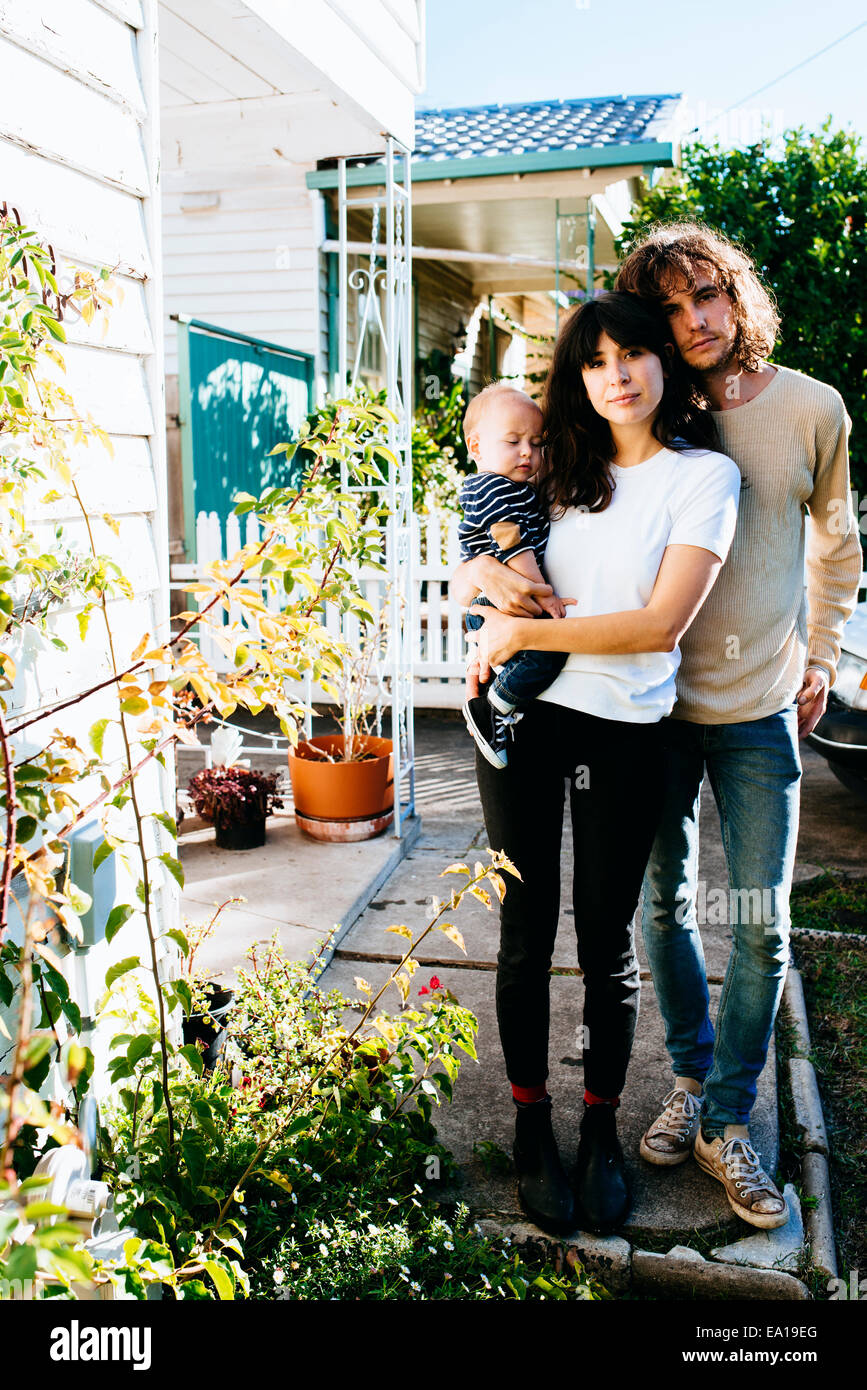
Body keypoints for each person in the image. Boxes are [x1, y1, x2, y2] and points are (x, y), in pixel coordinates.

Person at [451, 291, 741, 1234]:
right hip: (532, 726)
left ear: (662, 364)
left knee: (606, 944)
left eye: (631, 354)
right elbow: (484, 532)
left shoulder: (700, 478)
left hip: (630, 731)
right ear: (575, 379)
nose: (614, 374)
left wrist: (514, 626)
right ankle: (532, 1125)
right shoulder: (558, 466)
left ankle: (600, 1126)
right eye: (593, 360)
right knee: (526, 933)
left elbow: (661, 624)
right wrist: (476, 582)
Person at [610, 222, 863, 1229]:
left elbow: (835, 544)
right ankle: (691, 1078)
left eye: (705, 294)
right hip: (655, 713)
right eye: (668, 309)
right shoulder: (648, 410)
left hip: (760, 709)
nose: (693, 321)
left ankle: (727, 1118)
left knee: (760, 924)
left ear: (736, 291)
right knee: (659, 909)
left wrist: (822, 652)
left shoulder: (812, 408)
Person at [457, 381, 571, 769]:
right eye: (513, 441)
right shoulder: (495, 487)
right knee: (547, 654)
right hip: (496, 602)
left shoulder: (515, 487)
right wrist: (544, 595)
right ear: (476, 447)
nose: (528, 452)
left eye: (536, 443)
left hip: (496, 600)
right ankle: (495, 707)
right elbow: (513, 547)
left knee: (538, 654)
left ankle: (498, 705)